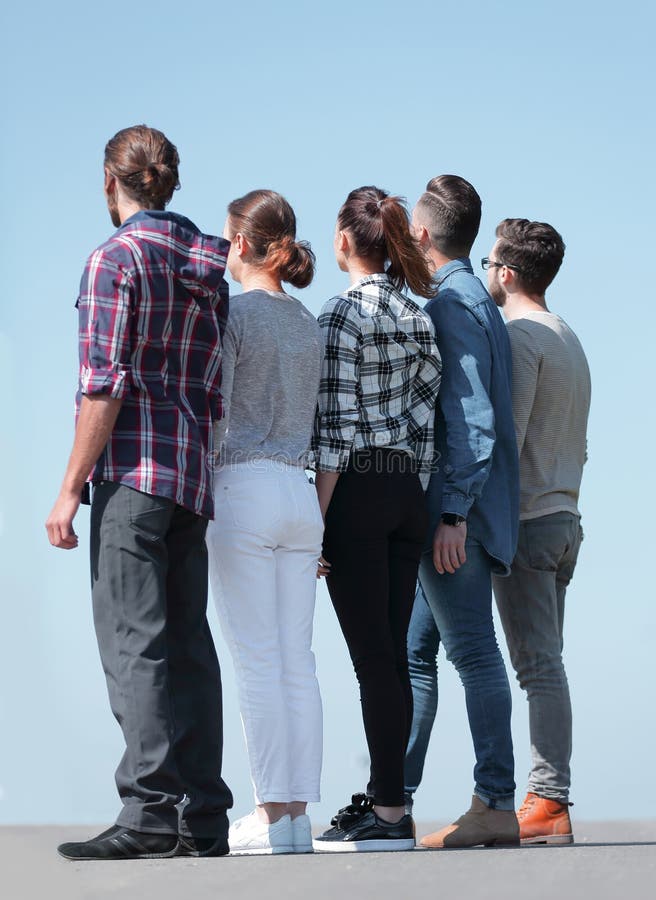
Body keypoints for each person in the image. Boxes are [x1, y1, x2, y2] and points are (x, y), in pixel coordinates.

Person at [46, 125, 233, 860]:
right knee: (188, 644)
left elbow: (104, 386)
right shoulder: (207, 265)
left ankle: (150, 811)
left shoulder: (114, 259)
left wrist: (69, 490)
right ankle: (203, 817)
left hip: (132, 474)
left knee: (134, 645)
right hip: (191, 475)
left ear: (109, 180)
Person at [312, 186, 442, 852]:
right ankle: (392, 803)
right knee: (391, 658)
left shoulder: (339, 314)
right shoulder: (419, 315)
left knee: (374, 662)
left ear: (343, 240)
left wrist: (314, 523)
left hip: (357, 491)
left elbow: (334, 429)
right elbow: (425, 424)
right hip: (406, 493)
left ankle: (389, 813)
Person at [206, 190, 325, 856]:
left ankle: (268, 814)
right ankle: (297, 816)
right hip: (299, 495)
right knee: (297, 662)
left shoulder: (231, 312)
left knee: (256, 660)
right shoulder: (307, 319)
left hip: (244, 485)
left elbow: (215, 407)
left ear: (242, 244)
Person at [407, 175, 520, 849]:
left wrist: (452, 514)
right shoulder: (476, 298)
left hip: (457, 516)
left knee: (473, 653)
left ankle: (495, 801)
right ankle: (392, 802)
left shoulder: (451, 304)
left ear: (422, 233)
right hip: (462, 509)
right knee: (414, 654)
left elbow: (474, 420)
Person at [486, 218, 591, 845]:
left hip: (529, 522)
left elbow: (508, 438)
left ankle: (548, 799)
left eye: (488, 262)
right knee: (546, 662)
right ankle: (546, 798)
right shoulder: (565, 333)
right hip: (566, 516)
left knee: (537, 666)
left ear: (506, 273)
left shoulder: (521, 336)